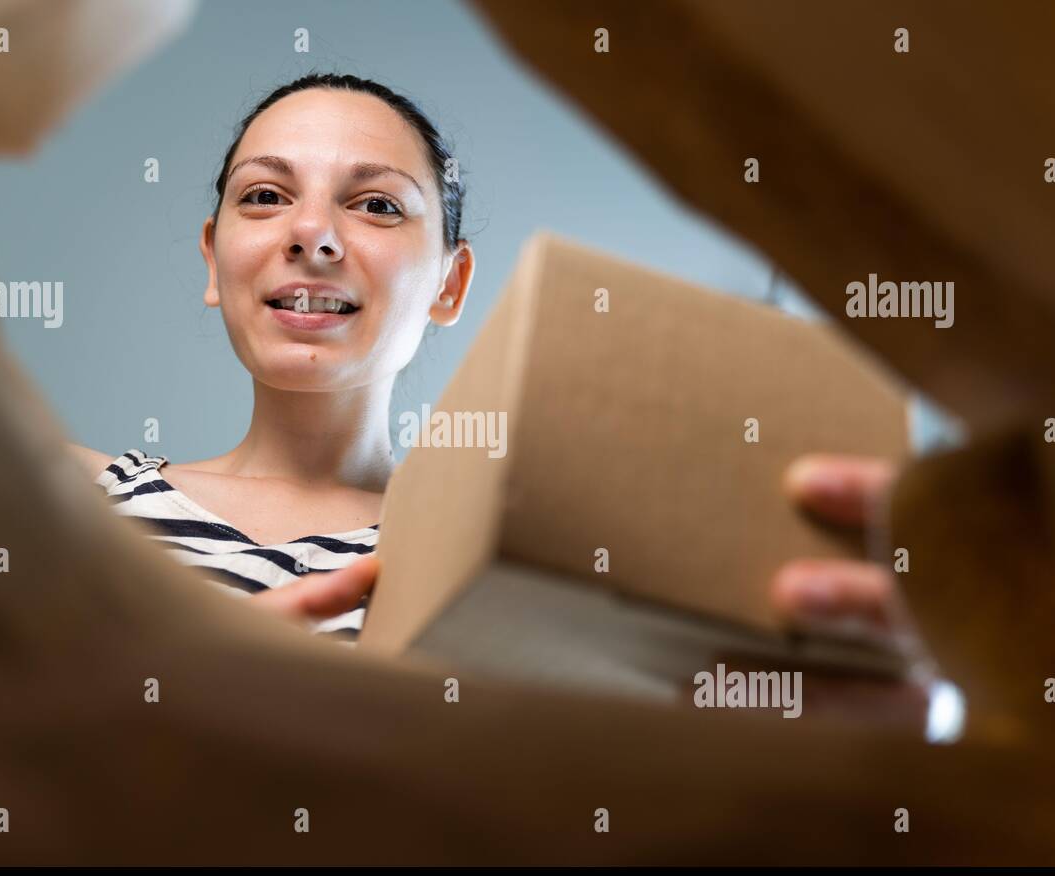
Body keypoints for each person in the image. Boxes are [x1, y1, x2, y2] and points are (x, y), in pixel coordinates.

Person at [68, 74, 914, 705]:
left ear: (449, 283)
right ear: (213, 257)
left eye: (376, 205)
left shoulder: (522, 554)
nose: (313, 234)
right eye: (265, 196)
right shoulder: (60, 497)